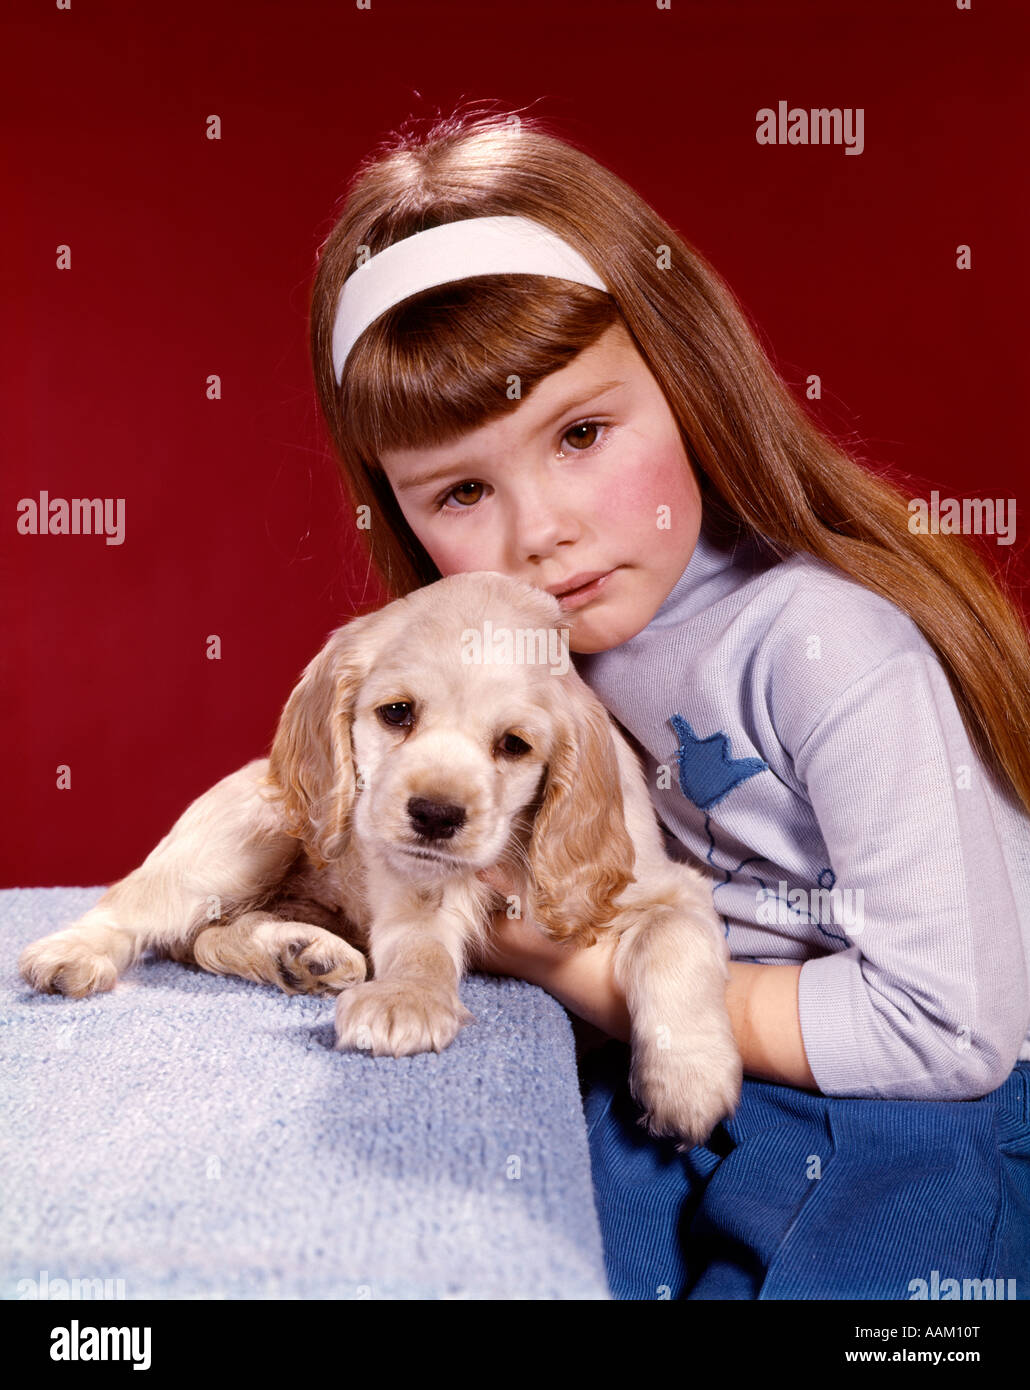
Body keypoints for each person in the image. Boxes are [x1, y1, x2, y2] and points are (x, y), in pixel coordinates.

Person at [306, 103, 1030, 1299]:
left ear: (685, 378)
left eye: (581, 432)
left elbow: (949, 1031)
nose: (542, 531)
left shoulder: (821, 645)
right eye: (459, 491)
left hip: (921, 1124)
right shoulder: (526, 657)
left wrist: (569, 966)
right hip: (699, 1079)